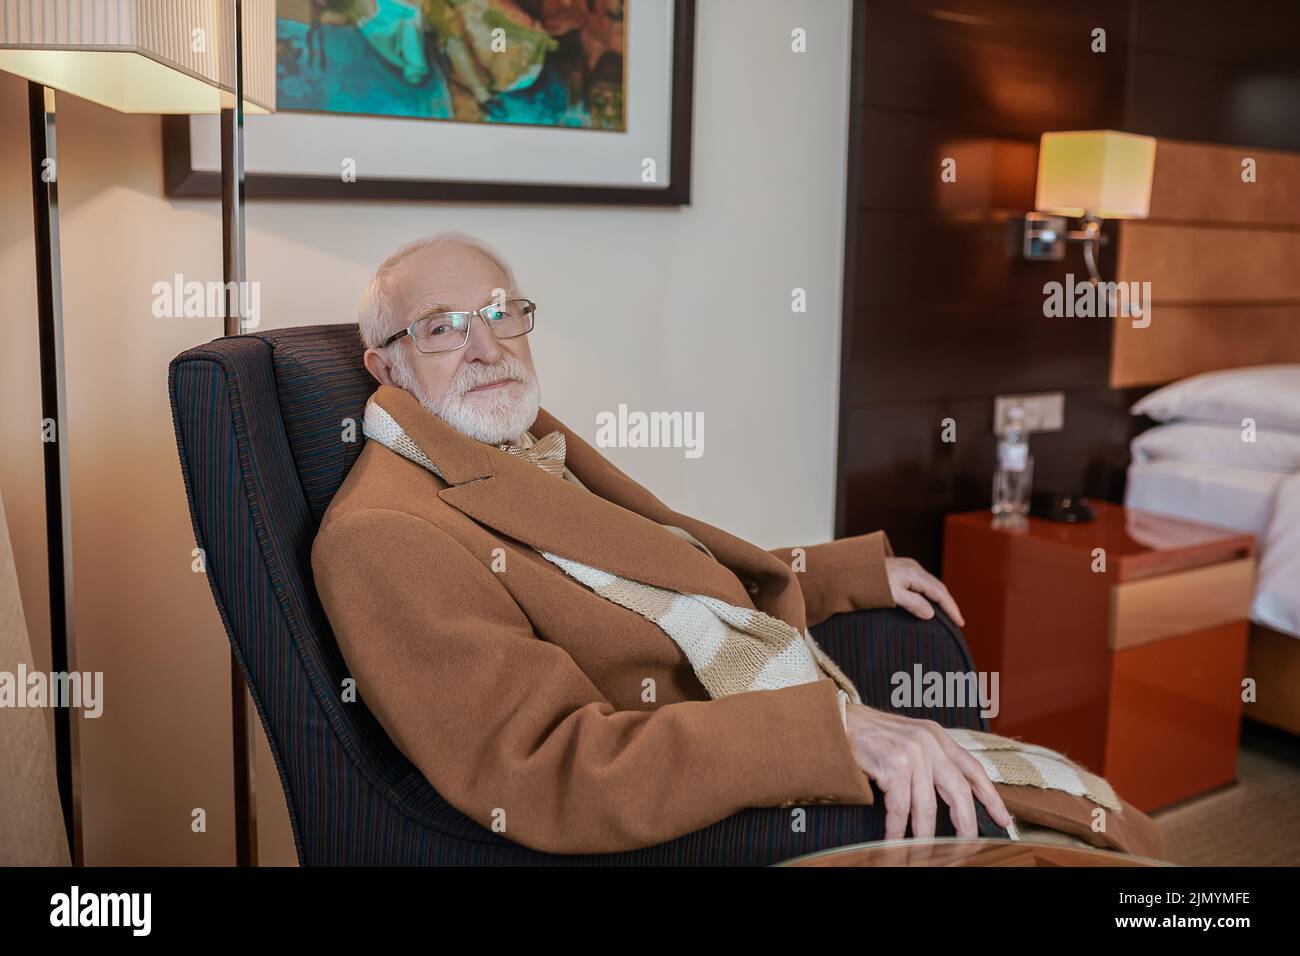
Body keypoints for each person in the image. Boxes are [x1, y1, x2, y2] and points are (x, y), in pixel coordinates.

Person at [310, 231, 1013, 855]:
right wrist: (822, 735)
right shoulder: (384, 534)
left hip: (722, 725)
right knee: (1013, 826)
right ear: (386, 368)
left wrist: (835, 574)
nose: (487, 347)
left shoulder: (503, 443)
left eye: (500, 312)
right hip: (681, 813)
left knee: (1048, 809)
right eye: (441, 328)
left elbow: (658, 575)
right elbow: (550, 771)